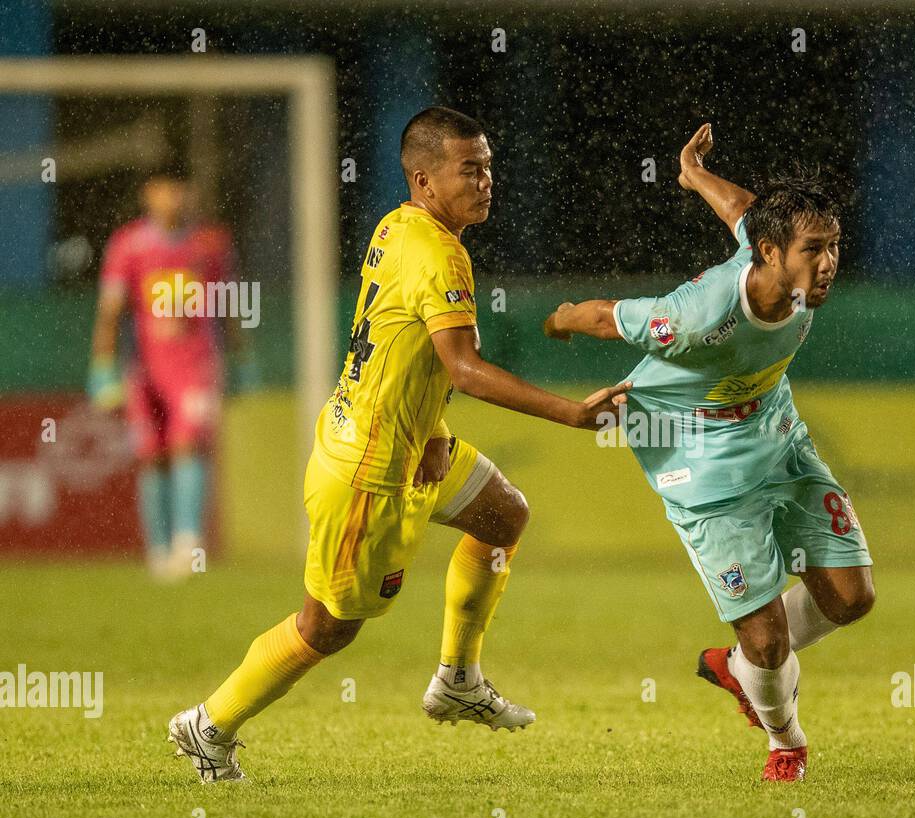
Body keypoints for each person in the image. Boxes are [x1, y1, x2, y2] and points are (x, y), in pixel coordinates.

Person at [167, 107, 629, 782]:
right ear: (424, 177)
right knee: (327, 627)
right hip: (370, 472)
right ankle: (209, 725)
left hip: (412, 445)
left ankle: (458, 679)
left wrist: (437, 428)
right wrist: (571, 413)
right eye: (470, 169)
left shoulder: (398, 224)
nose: (486, 181)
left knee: (503, 515)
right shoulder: (439, 251)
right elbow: (464, 367)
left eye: (490, 166)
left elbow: (402, 347)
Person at [543, 123, 874, 782]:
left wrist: (694, 174)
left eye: (835, 247)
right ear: (773, 254)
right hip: (698, 457)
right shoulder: (702, 312)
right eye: (815, 249)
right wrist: (561, 319)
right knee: (769, 638)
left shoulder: (788, 264)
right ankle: (787, 739)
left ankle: (736, 667)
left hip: (779, 437)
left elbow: (744, 211)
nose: (829, 262)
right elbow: (611, 318)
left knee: (852, 597)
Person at [88, 171, 254, 580]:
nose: (172, 198)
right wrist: (102, 365)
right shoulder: (128, 244)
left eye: (180, 189)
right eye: (163, 189)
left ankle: (187, 543)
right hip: (144, 367)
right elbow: (111, 309)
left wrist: (242, 359)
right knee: (151, 456)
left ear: (190, 193)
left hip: (196, 365)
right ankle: (158, 551)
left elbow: (229, 303)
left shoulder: (211, 244)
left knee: (187, 446)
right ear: (148, 194)